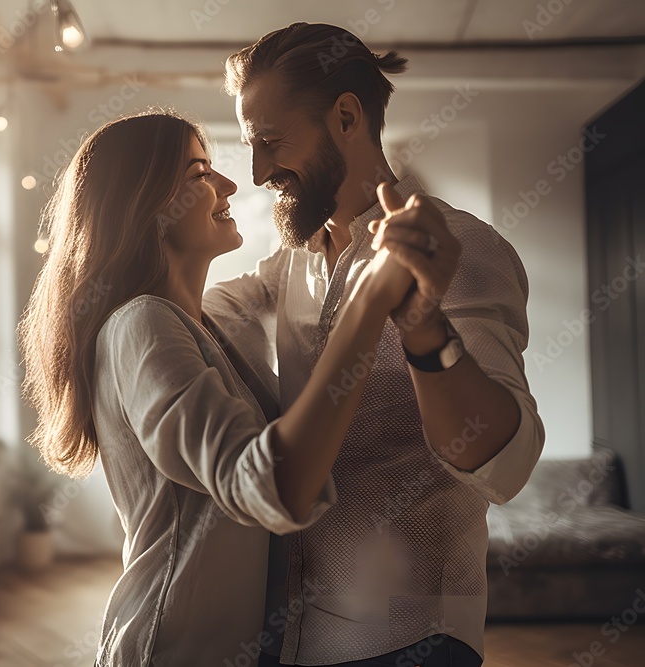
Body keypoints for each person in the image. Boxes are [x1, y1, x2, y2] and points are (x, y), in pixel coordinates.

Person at [18, 110, 426, 665]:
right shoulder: (142, 324)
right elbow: (275, 486)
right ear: (144, 205)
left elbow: (277, 275)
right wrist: (371, 300)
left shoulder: (204, 322)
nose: (230, 184)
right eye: (200, 173)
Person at [205, 22, 546, 666]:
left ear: (345, 116)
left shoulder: (462, 249)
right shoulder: (293, 263)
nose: (257, 173)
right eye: (251, 147)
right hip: (291, 638)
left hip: (412, 641)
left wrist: (423, 327)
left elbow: (508, 465)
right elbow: (191, 313)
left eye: (271, 143)